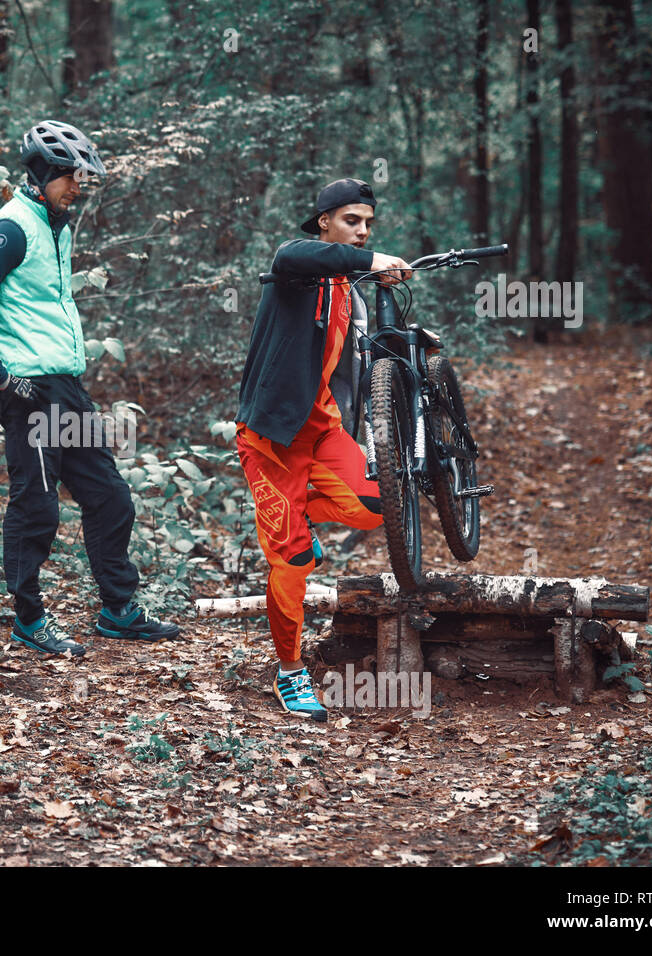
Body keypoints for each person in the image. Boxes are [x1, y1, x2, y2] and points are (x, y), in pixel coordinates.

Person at [0, 120, 180, 657]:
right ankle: (29, 620)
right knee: (38, 507)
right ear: (44, 172)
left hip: (66, 388)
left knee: (110, 496)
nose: (78, 187)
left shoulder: (57, 225)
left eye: (81, 177)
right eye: (71, 177)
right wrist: (3, 377)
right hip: (29, 390)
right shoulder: (11, 227)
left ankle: (118, 611)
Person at [235, 178, 413, 718]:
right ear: (323, 223)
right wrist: (373, 258)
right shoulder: (296, 271)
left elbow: (352, 370)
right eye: (351, 221)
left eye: (368, 224)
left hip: (325, 432)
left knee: (377, 506)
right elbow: (295, 255)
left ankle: (300, 516)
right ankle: (289, 672)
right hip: (272, 441)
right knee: (291, 561)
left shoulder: (347, 292)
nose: (361, 232)